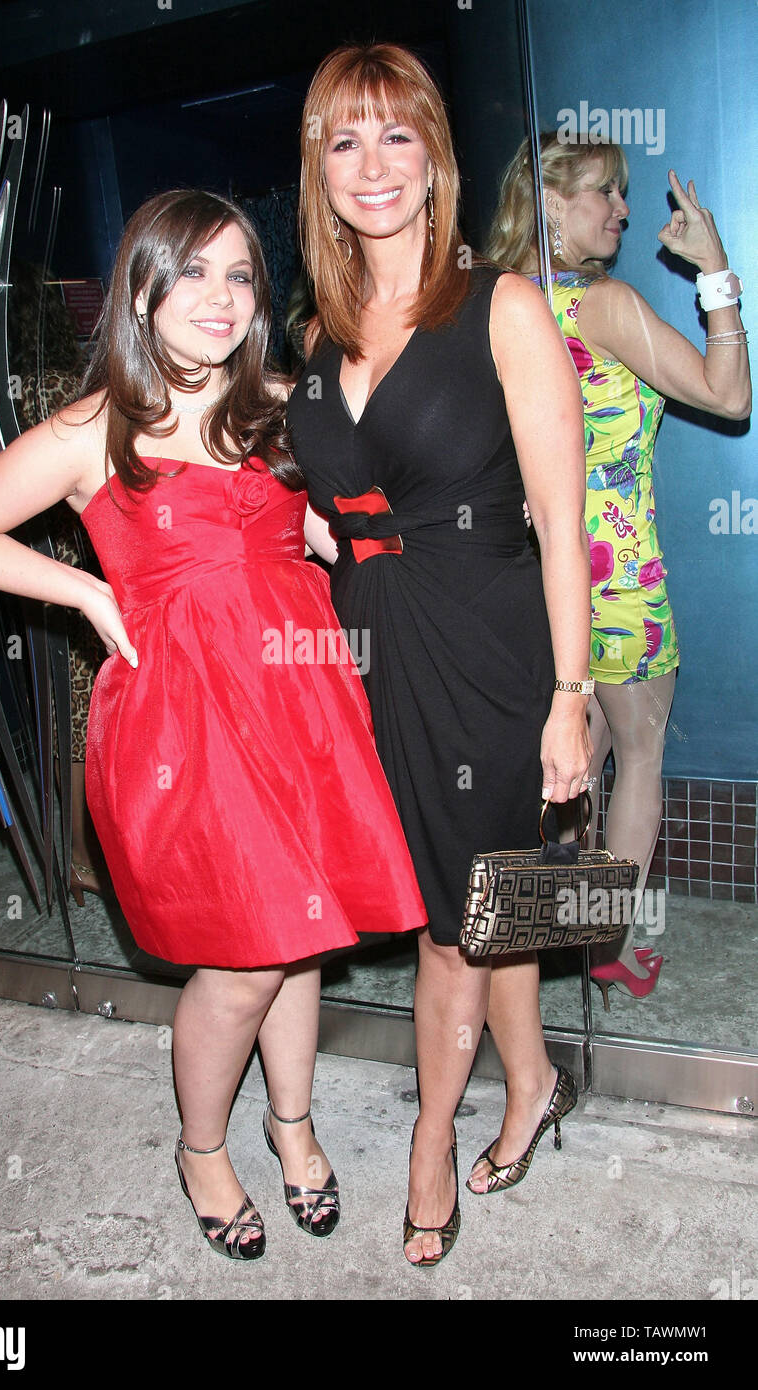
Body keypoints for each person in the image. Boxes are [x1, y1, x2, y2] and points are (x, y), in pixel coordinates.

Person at [0, 189, 426, 1260]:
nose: (219, 295)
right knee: (244, 958)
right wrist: (89, 597)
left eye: (239, 274)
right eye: (191, 272)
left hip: (302, 694)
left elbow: (327, 530)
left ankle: (291, 1128)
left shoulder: (282, 406)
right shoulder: (95, 422)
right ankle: (202, 1147)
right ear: (141, 290)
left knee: (302, 939)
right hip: (187, 721)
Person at [286, 43, 592, 1266]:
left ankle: (429, 1144)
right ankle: (532, 1084)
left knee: (453, 916)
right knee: (485, 895)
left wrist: (569, 699)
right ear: (318, 165)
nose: (372, 165)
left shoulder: (501, 304)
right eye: (343, 140)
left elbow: (562, 522)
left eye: (395, 135)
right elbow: (341, 487)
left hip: (484, 643)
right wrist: (324, 525)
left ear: (435, 157)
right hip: (366, 649)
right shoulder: (316, 327)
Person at [488, 133, 750, 1007]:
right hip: (616, 575)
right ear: (552, 203)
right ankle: (600, 946)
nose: (625, 210)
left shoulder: (504, 303)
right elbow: (728, 394)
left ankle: (522, 948)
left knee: (575, 755)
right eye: (606, 191)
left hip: (538, 575)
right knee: (638, 759)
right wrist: (715, 271)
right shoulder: (599, 303)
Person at [7, 260, 110, 905]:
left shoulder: (4, 392)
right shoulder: (74, 390)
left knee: (63, 721)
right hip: (83, 564)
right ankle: (80, 855)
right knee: (81, 720)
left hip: (28, 566)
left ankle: (69, 851)